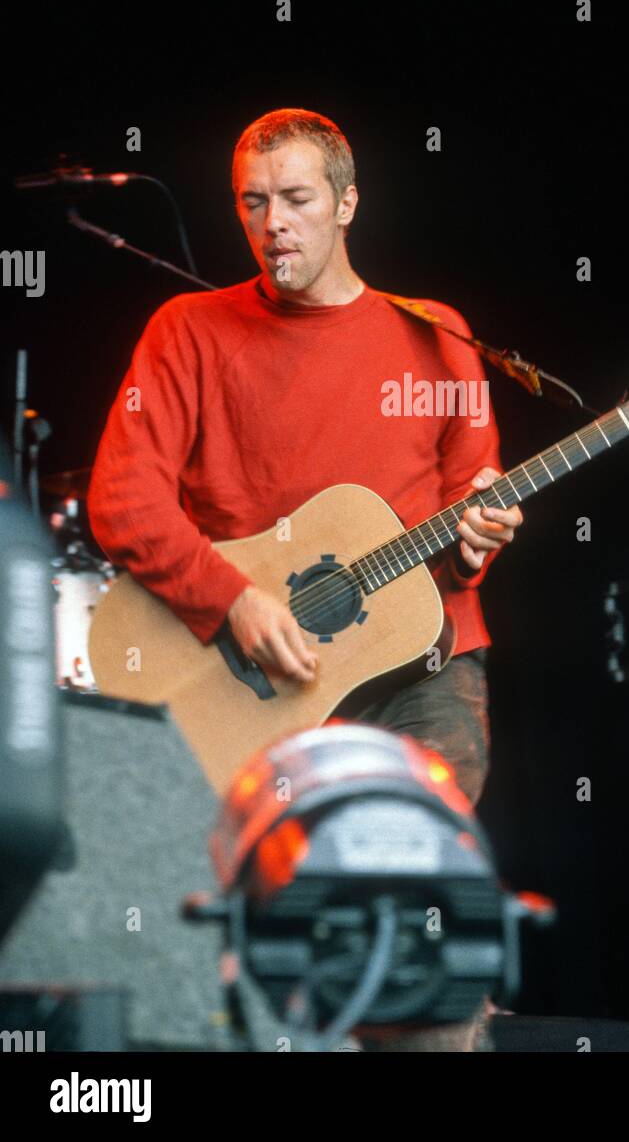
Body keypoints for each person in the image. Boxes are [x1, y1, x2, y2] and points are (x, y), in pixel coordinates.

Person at [87, 107, 523, 1051]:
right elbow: (122, 500)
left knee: (411, 908)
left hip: (421, 676)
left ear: (346, 204)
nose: (271, 222)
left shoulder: (437, 337)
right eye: (252, 202)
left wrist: (480, 533)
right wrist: (232, 598)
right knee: (250, 927)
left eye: (293, 199)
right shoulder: (190, 329)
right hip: (260, 688)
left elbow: (464, 518)